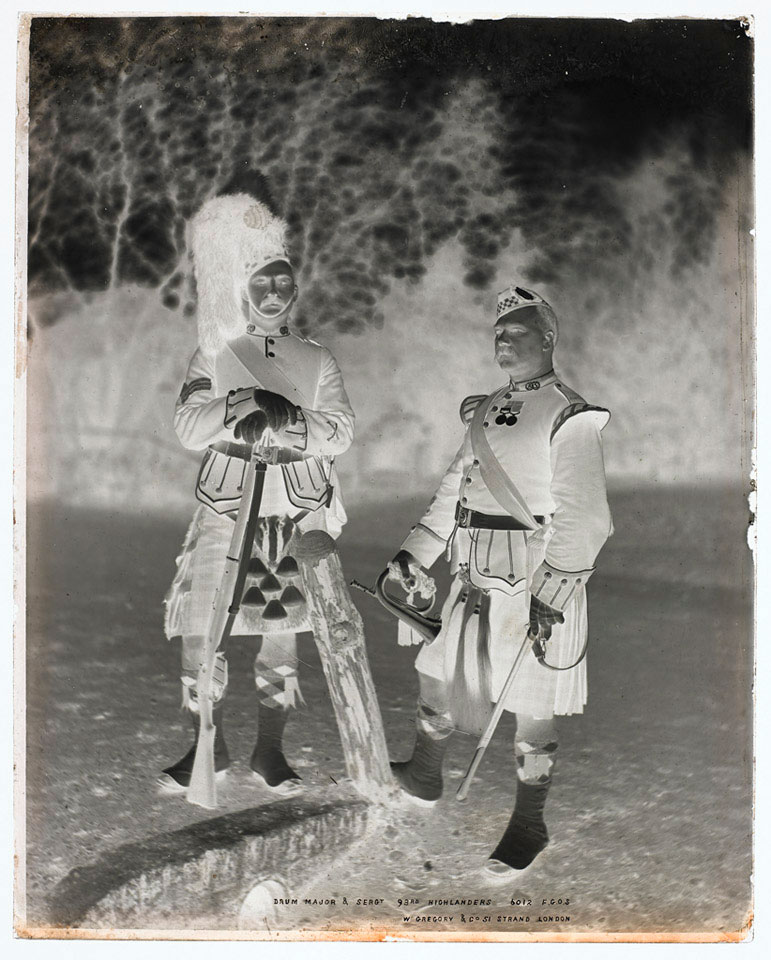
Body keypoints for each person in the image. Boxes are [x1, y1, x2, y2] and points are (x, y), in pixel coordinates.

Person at [385, 284, 612, 878]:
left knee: (531, 705)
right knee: (436, 671)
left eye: (517, 334)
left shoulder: (571, 414)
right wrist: (414, 555)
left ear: (548, 339)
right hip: (471, 571)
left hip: (536, 581)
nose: (504, 344)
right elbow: (451, 495)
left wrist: (551, 594)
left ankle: (529, 824)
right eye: (498, 336)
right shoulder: (487, 409)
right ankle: (425, 772)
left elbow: (587, 518)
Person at [159, 192, 355, 796]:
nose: (273, 292)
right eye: (261, 281)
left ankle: (270, 751)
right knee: (201, 621)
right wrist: (240, 402)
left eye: (282, 281)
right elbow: (189, 425)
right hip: (225, 500)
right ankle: (203, 745)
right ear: (244, 289)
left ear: (294, 288)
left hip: (288, 506)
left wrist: (289, 416)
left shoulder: (317, 358)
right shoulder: (214, 351)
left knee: (280, 620)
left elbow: (341, 431)